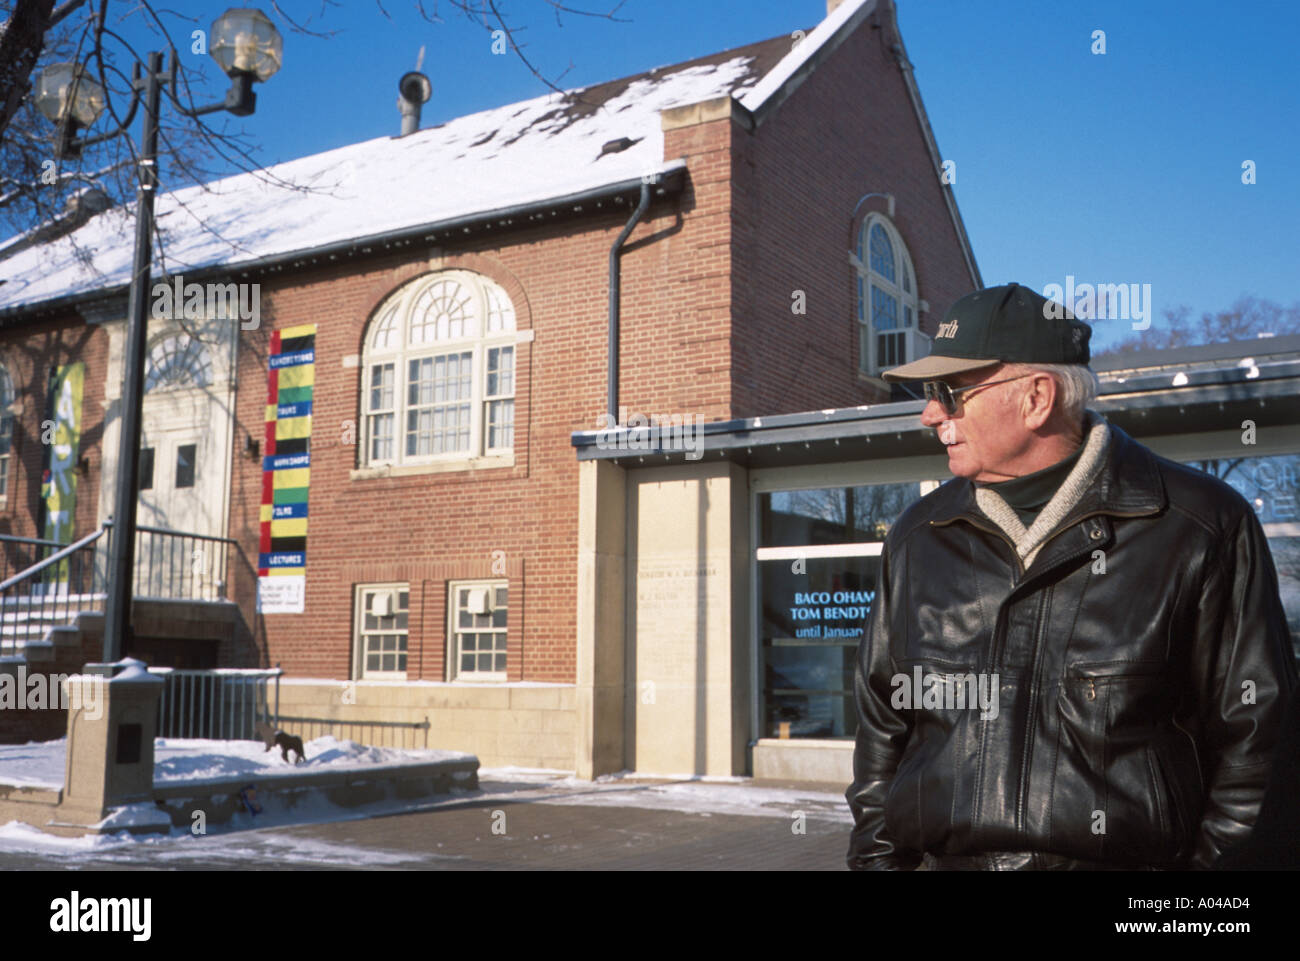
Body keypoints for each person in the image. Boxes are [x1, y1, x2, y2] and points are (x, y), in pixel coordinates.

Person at [845, 283, 1297, 870]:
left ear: (1037, 397)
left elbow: (1257, 745)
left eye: (950, 393)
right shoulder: (917, 536)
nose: (931, 413)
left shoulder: (1200, 525)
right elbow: (883, 731)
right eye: (928, 394)